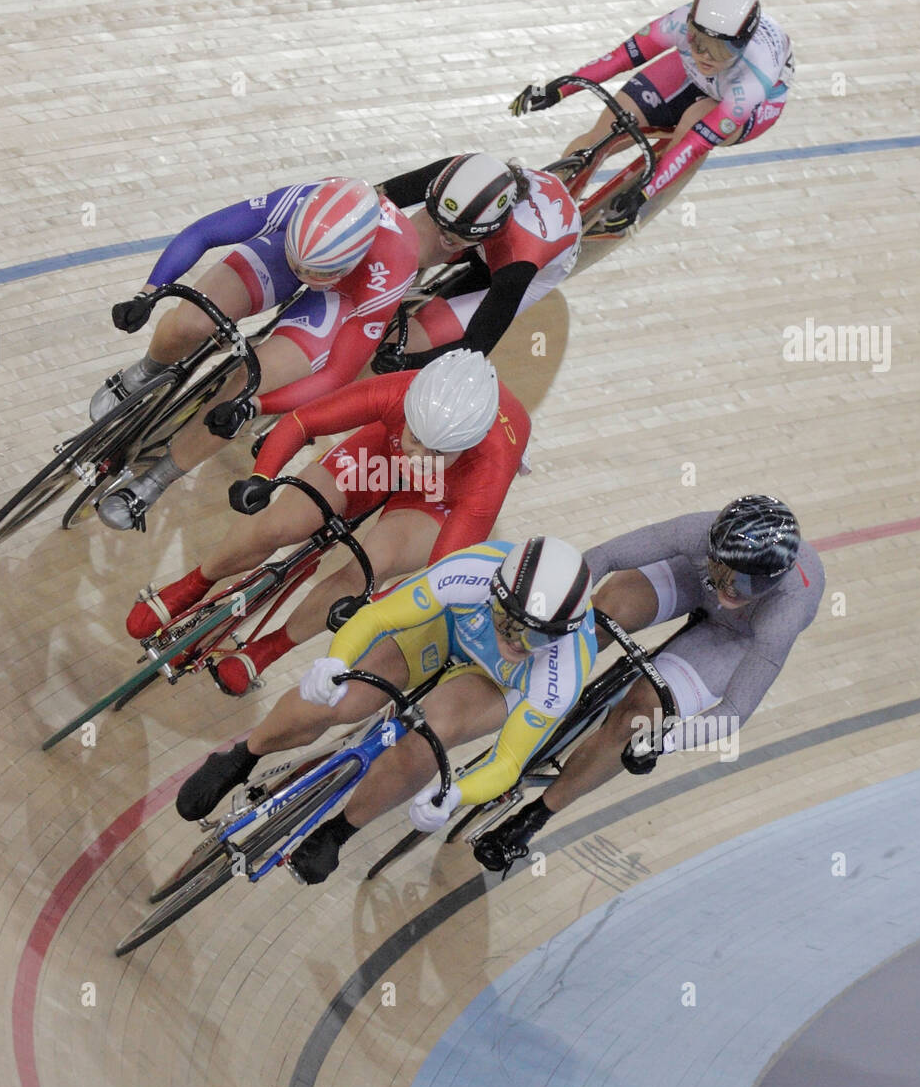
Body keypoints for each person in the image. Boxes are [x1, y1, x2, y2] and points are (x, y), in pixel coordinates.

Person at [173, 536, 597, 883]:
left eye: (536, 639)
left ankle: (338, 832)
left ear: (562, 636)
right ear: (495, 594)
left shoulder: (564, 671)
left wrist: (455, 795)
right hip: (445, 627)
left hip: (494, 683)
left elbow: (509, 761)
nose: (517, 642)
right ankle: (245, 754)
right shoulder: (472, 572)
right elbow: (377, 618)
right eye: (507, 622)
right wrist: (335, 661)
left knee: (431, 738)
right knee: (344, 696)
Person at [125, 351, 530, 693]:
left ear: (468, 445)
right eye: (416, 439)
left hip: (444, 497)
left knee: (371, 565)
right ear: (408, 411)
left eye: (436, 452)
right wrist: (262, 478)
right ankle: (195, 583)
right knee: (279, 523)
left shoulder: (489, 469)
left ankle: (268, 648)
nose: (419, 458)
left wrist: (369, 607)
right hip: (379, 455)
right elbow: (302, 423)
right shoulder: (399, 392)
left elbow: (442, 579)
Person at [471, 496, 824, 869]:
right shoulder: (700, 532)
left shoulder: (786, 611)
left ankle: (532, 817)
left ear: (772, 582)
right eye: (724, 573)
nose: (731, 589)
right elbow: (603, 557)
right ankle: (510, 690)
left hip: (739, 638)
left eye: (745, 585)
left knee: (636, 719)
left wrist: (663, 742)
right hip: (691, 578)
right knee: (601, 614)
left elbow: (735, 711)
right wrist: (552, 609)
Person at [89, 177, 419, 530]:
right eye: (300, 264)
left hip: (345, 297)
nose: (303, 276)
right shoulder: (298, 202)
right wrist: (148, 293)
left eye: (313, 272)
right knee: (191, 323)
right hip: (284, 249)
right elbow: (203, 233)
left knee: (252, 385)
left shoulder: (392, 268)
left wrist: (254, 406)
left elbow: (337, 375)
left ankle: (157, 479)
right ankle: (145, 371)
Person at [509, 0, 793, 232]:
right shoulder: (678, 22)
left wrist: (644, 194)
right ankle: (542, 206)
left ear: (742, 45)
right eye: (696, 40)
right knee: (604, 133)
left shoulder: (757, 74)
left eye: (720, 49)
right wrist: (560, 89)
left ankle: (627, 211)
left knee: (690, 125)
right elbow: (618, 59)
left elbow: (694, 144)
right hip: (690, 73)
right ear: (690, 25)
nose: (704, 54)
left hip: (749, 101)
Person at [370, 152, 581, 372]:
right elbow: (377, 197)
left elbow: (476, 346)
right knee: (404, 248)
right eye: (439, 225)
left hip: (529, 264)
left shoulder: (519, 262)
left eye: (453, 235)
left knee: (403, 348)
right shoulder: (459, 175)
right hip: (479, 229)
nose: (444, 238)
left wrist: (407, 362)